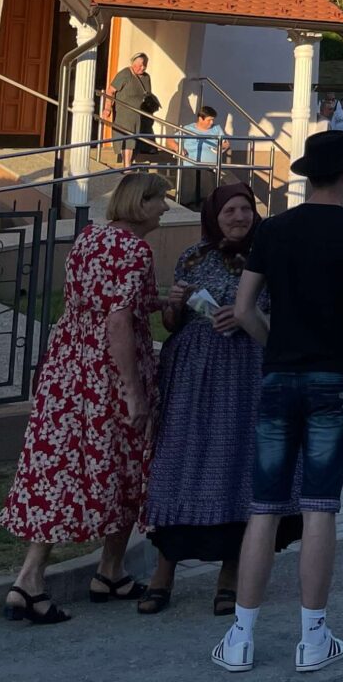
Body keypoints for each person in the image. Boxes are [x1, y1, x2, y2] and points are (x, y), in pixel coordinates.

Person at [212, 131, 343, 673]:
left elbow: (244, 309)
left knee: (263, 508)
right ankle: (313, 636)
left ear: (309, 176)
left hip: (278, 377)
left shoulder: (274, 229)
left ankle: (241, 636)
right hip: (333, 379)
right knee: (319, 507)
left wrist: (275, 346)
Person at [0, 171, 171, 623]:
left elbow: (101, 301)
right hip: (108, 374)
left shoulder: (90, 238)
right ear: (141, 203)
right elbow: (117, 320)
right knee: (127, 463)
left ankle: (87, 573)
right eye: (160, 200)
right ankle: (47, 579)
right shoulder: (135, 250)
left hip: (68, 368)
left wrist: (164, 300)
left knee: (58, 466)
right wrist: (133, 392)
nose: (165, 208)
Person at [142, 183, 298, 617]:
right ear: (214, 215)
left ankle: (230, 574)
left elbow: (287, 314)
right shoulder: (193, 256)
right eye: (230, 210)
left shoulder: (270, 254)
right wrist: (174, 306)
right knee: (180, 460)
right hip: (193, 375)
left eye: (245, 209)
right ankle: (163, 572)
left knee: (238, 464)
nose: (239, 217)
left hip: (245, 372)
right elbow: (172, 324)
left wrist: (248, 315)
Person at [105, 52, 156, 164]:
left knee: (137, 140)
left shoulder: (146, 77)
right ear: (133, 63)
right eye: (140, 65)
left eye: (145, 65)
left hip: (140, 115)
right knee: (128, 139)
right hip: (125, 115)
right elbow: (110, 91)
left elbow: (148, 94)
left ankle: (129, 164)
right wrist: (107, 108)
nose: (143, 67)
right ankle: (127, 166)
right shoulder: (125, 74)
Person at [177, 103, 226, 206]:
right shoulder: (188, 129)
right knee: (189, 198)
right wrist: (178, 148)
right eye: (209, 120)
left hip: (210, 167)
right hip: (191, 165)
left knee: (208, 198)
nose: (211, 122)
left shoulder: (216, 128)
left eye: (213, 120)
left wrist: (221, 147)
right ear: (200, 118)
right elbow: (170, 140)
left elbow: (226, 143)